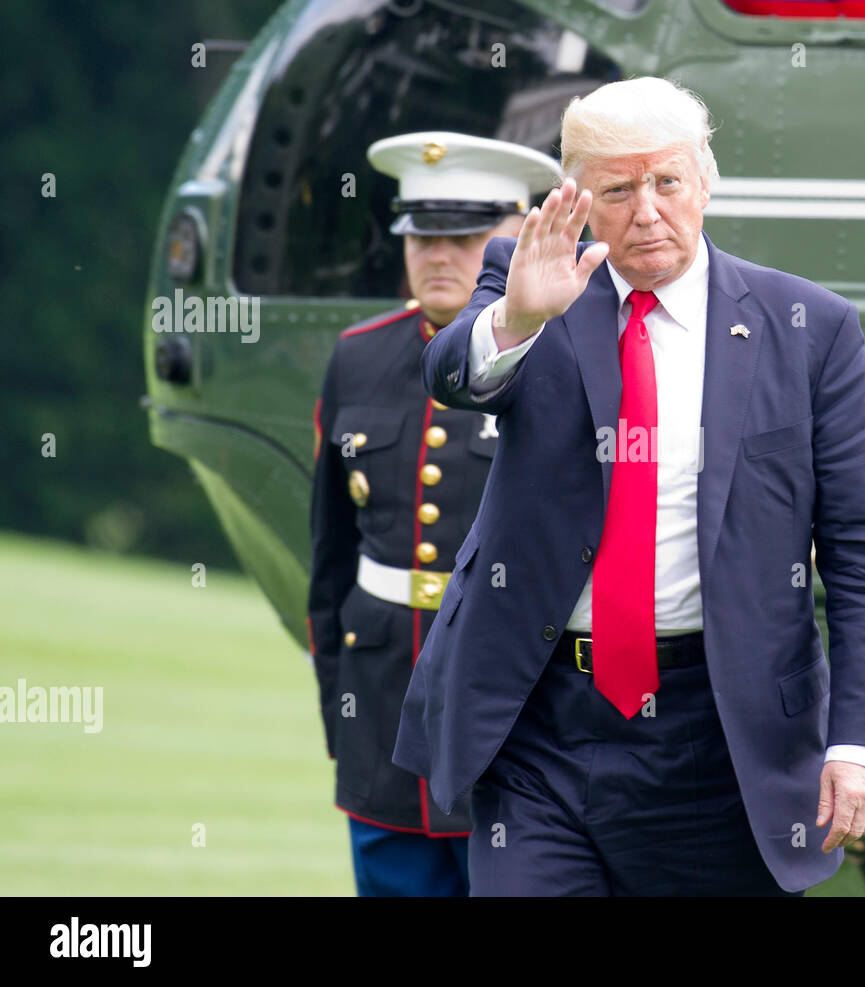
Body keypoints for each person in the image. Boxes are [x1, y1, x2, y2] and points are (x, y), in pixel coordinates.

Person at [394, 78, 865, 896]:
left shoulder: (809, 328)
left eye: (667, 181)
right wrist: (518, 321)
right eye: (618, 189)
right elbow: (454, 373)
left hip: (720, 732)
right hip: (539, 726)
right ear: (578, 198)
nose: (647, 211)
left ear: (705, 180)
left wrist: (860, 740)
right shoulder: (527, 279)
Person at [307, 132, 561, 896]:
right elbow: (330, 555)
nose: (438, 254)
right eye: (422, 234)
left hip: (510, 715)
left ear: (515, 234)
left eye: (463, 234)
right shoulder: (357, 355)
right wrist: (338, 709)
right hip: (380, 703)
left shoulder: (555, 355)